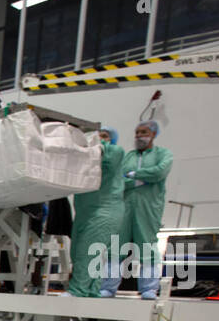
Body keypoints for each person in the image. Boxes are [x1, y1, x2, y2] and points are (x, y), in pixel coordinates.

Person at [104, 119, 172, 299]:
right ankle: (108, 287)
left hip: (148, 208)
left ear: (153, 134)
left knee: (147, 247)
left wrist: (134, 175)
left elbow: (159, 172)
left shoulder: (163, 154)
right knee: (115, 246)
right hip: (124, 207)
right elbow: (117, 180)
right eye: (137, 133)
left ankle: (149, 288)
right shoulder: (128, 156)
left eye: (143, 132)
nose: (139, 136)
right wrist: (140, 181)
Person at [67, 127, 126, 297]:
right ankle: (92, 290)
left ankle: (78, 290)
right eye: (97, 135)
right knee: (78, 252)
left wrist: (85, 142)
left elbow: (103, 153)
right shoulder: (87, 159)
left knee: (89, 250)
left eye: (105, 136)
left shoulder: (115, 151)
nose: (100, 138)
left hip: (105, 211)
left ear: (112, 140)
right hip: (84, 213)